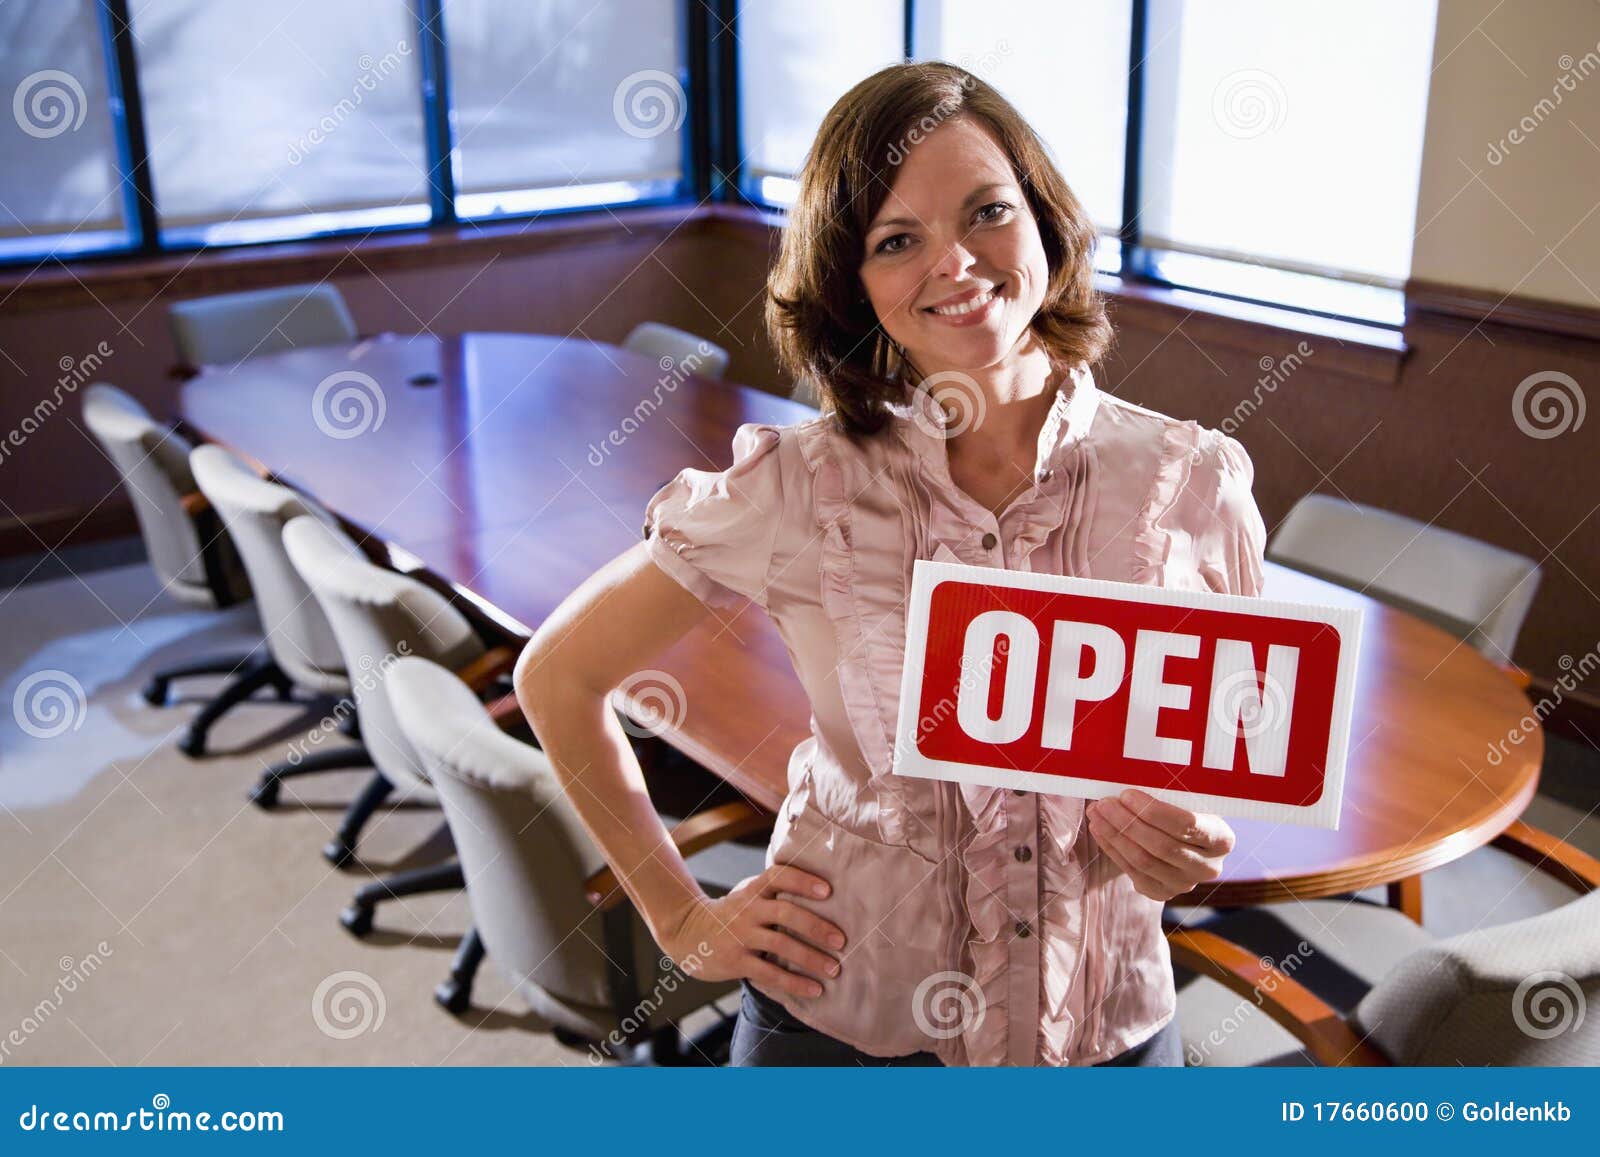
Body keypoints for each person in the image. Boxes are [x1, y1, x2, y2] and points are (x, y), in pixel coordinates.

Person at [515, 61, 1266, 1067]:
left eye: (987, 211)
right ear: (853, 281)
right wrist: (679, 918)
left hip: (1100, 1024)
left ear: (1043, 221)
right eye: (897, 240)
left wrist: (1192, 830)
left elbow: (1225, 751)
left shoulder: (1191, 480)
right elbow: (558, 674)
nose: (955, 263)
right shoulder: (800, 485)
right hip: (842, 1021)